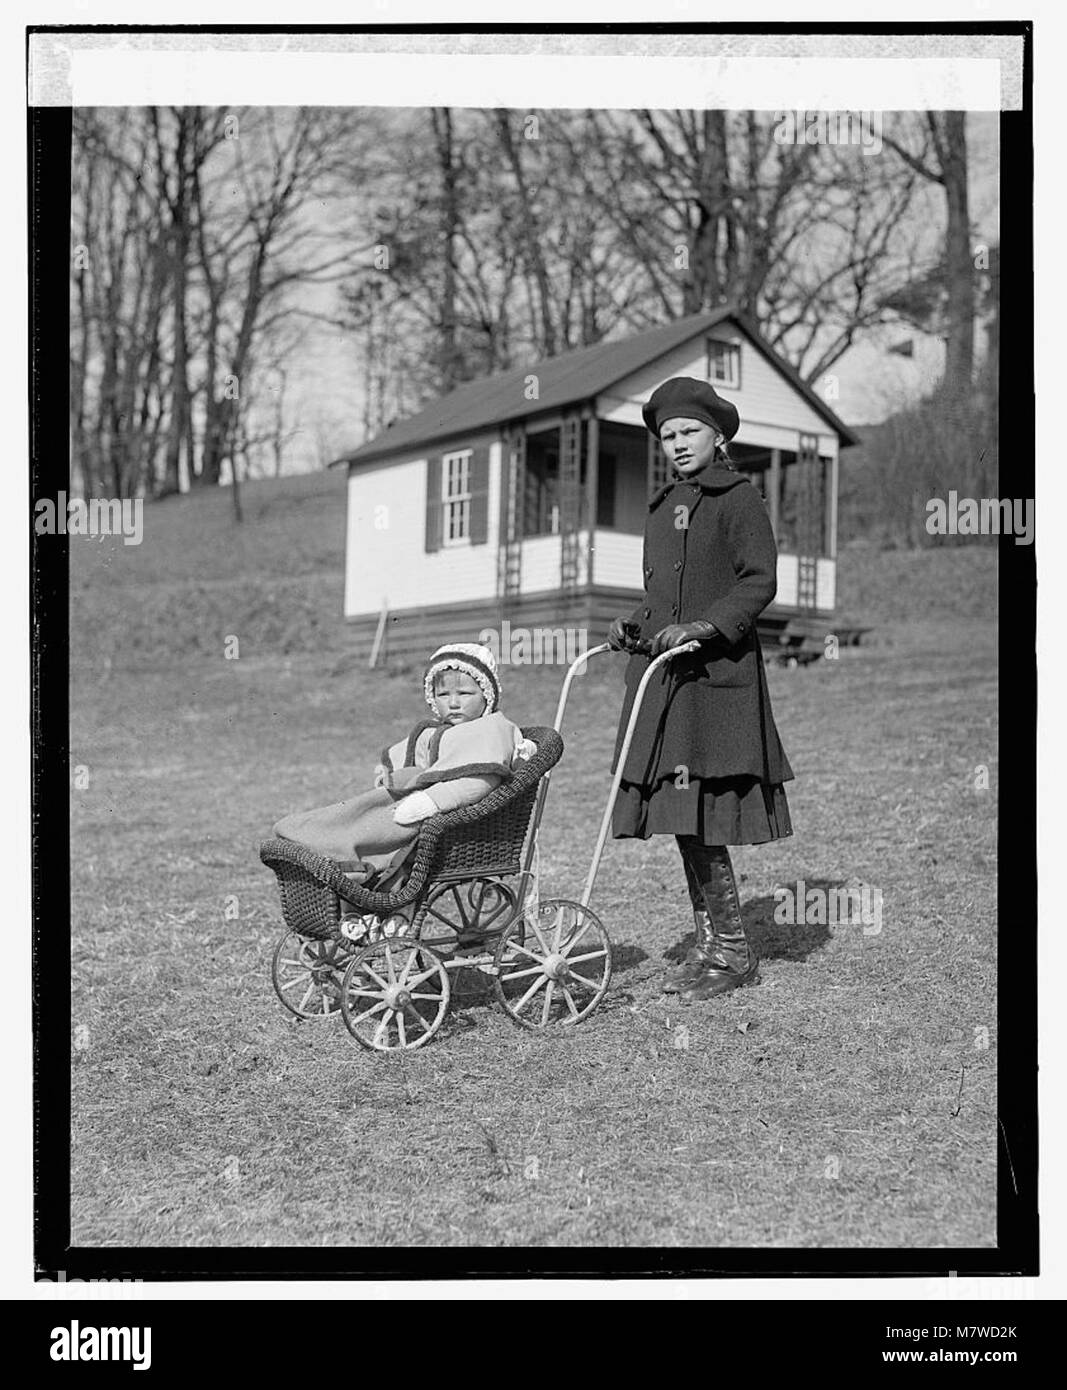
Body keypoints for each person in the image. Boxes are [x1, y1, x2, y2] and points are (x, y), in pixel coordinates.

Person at [607, 377, 794, 1003]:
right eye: (668, 435)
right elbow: (662, 595)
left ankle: (734, 952)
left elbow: (758, 580)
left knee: (707, 813)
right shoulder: (663, 506)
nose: (678, 443)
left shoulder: (738, 498)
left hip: (715, 680)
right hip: (667, 684)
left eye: (689, 432)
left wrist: (707, 626)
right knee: (685, 816)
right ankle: (712, 944)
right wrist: (636, 624)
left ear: (718, 437)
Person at [271, 642, 534, 886]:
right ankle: (305, 833)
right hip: (412, 799)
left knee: (374, 826)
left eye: (464, 693)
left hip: (446, 819)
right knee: (360, 809)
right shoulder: (439, 731)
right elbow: (417, 758)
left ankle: (338, 855)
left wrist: (430, 801)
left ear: (486, 695)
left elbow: (477, 781)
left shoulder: (489, 731)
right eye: (443, 694)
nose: (453, 703)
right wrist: (392, 774)